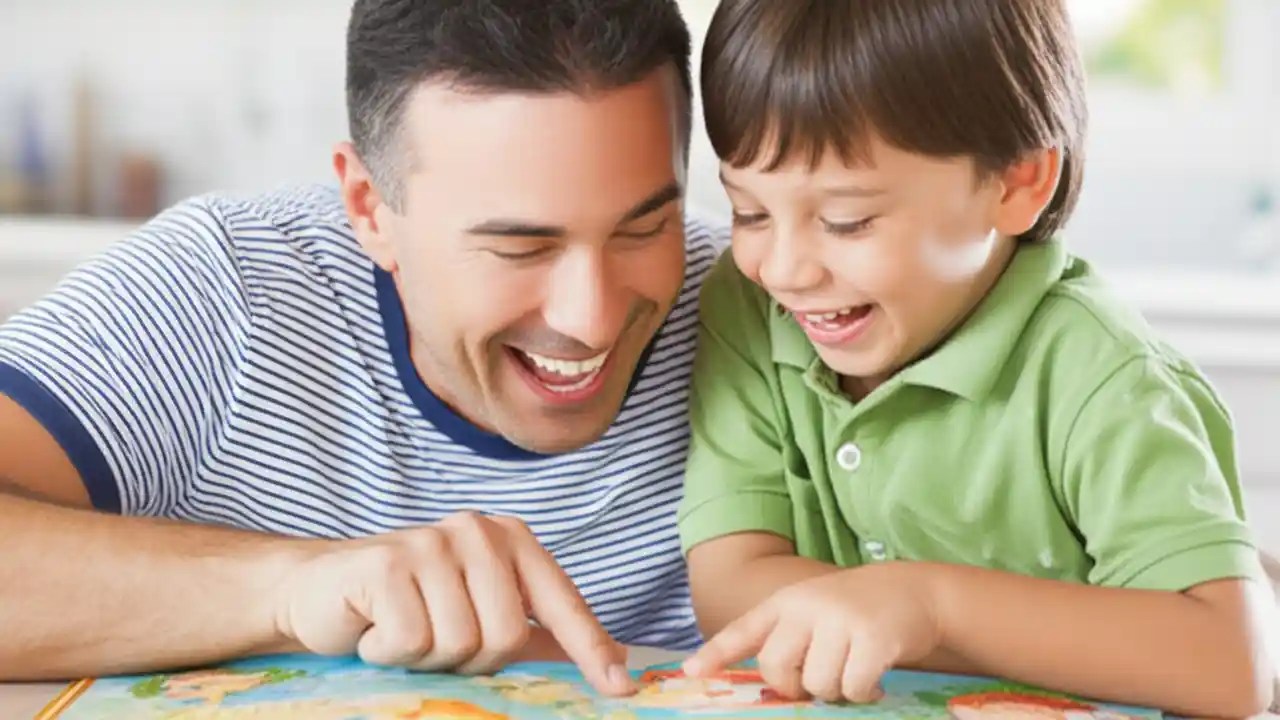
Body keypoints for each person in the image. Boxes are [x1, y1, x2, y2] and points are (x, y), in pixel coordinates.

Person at [0, 0, 725, 695]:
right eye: (520, 246)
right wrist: (292, 591)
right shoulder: (228, 287)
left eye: (642, 230)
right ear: (369, 209)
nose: (591, 319)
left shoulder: (767, 308)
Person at [675, 0, 1276, 717]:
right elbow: (731, 591)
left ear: (1016, 183)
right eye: (749, 212)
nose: (783, 268)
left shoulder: (1103, 378)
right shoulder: (751, 312)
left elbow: (1230, 666)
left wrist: (929, 606)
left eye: (846, 221)